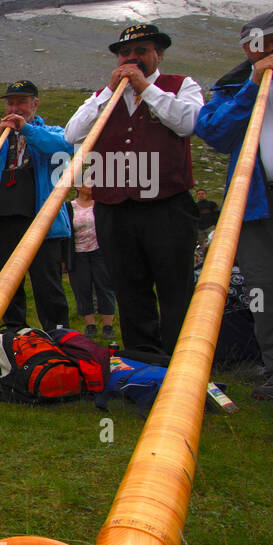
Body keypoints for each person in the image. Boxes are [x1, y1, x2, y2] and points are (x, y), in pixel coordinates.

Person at [65, 24, 203, 359]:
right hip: (115, 207)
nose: (131, 59)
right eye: (125, 53)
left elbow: (188, 122)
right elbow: (72, 134)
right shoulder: (103, 95)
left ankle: (182, 359)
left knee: (175, 286)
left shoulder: (180, 86)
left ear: (159, 54)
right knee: (128, 287)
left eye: (141, 51)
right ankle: (143, 357)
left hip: (167, 205)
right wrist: (107, 95)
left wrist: (146, 89)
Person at [196, 9, 273, 400]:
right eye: (258, 44)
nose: (268, 49)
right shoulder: (232, 84)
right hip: (256, 203)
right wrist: (250, 88)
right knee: (268, 290)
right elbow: (213, 131)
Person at [0, 81, 73, 332]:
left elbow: (64, 148)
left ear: (35, 104)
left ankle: (58, 334)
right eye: (11, 103)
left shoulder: (52, 132)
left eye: (21, 102)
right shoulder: (0, 140)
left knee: (47, 282)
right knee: (6, 284)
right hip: (2, 219)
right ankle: (15, 335)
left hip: (40, 220)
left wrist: (27, 131)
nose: (15, 108)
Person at [67, 184, 117, 341]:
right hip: (78, 253)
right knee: (82, 288)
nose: (92, 187)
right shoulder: (69, 207)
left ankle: (108, 327)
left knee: (105, 287)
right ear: (79, 186)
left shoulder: (100, 204)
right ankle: (90, 326)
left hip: (100, 252)